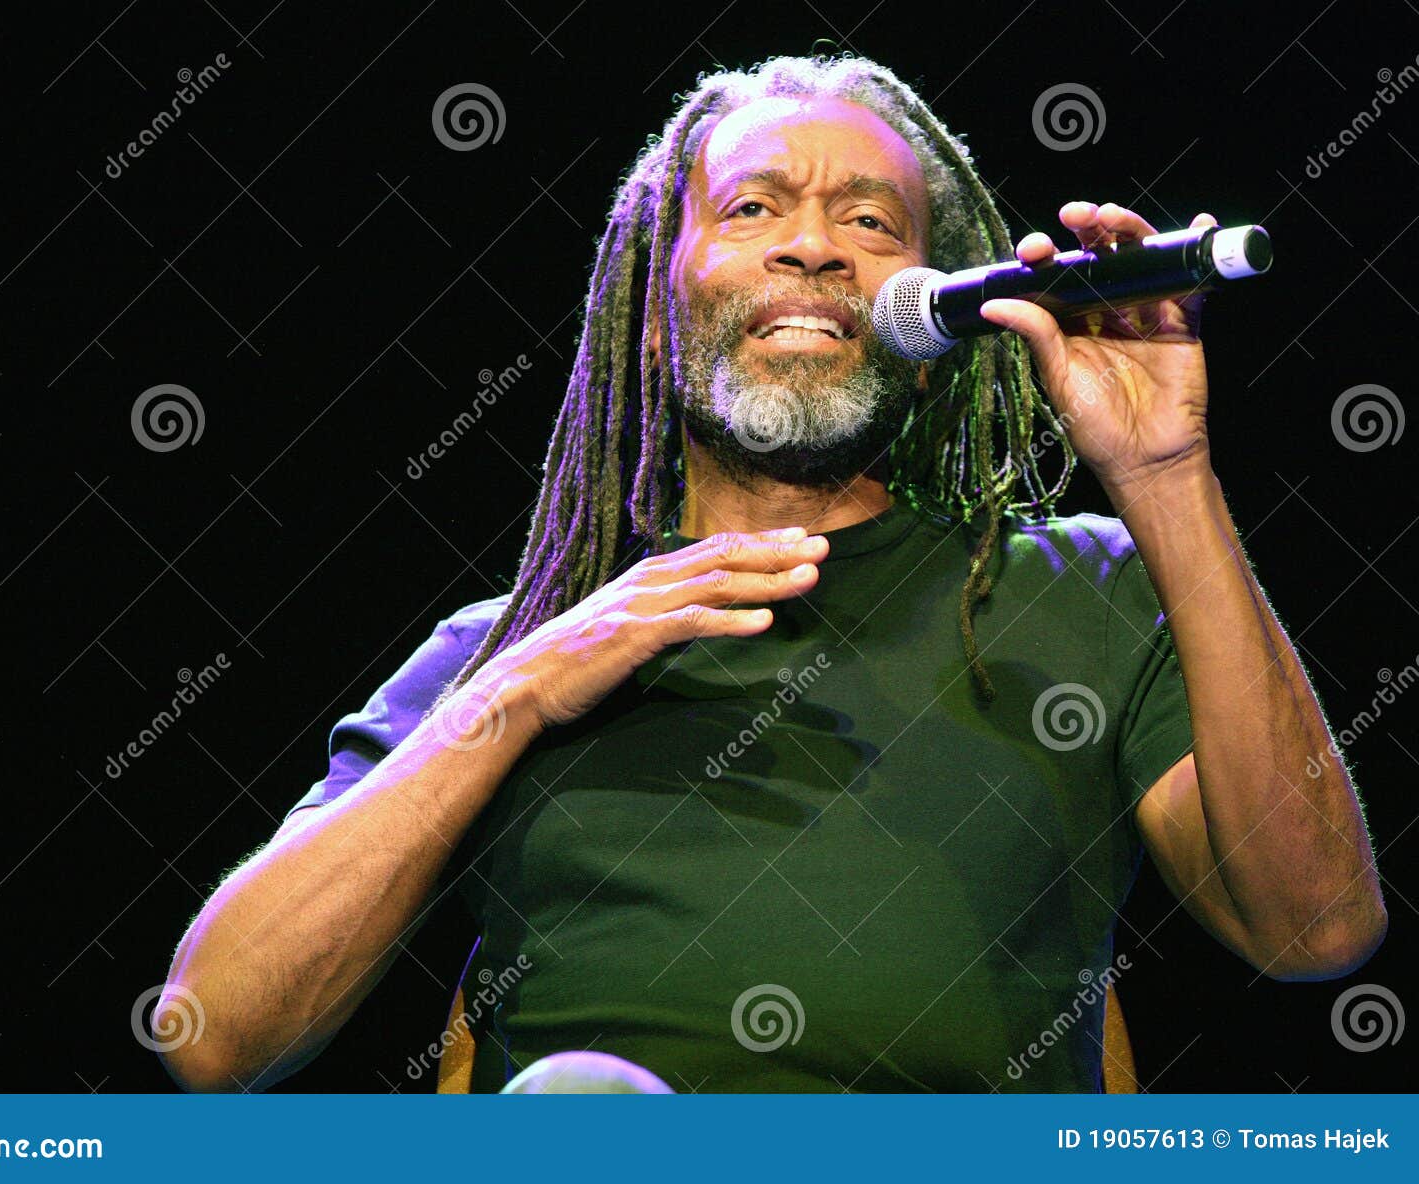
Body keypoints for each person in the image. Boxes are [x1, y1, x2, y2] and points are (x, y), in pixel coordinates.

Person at [154, 54, 1386, 1093]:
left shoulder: (1083, 587)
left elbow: (1317, 926)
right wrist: (512, 697)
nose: (813, 248)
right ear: (655, 305)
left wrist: (1164, 472)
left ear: (934, 325)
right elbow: (212, 1034)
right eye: (752, 209)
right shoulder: (520, 637)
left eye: (870, 222)